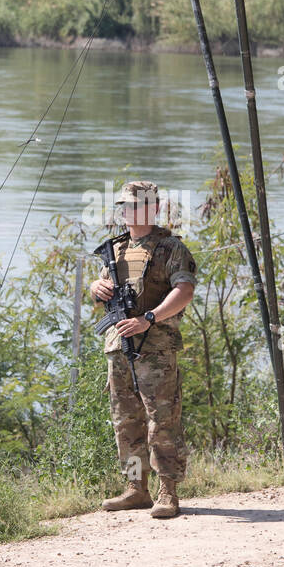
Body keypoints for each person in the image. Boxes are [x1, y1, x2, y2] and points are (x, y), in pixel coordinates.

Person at [89, 180, 197, 519]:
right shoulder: (116, 249)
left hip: (156, 347)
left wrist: (149, 318)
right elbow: (103, 293)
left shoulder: (170, 248)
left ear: (152, 209)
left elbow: (184, 291)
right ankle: (136, 488)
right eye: (122, 206)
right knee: (126, 419)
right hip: (119, 344)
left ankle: (168, 490)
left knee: (162, 420)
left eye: (133, 206)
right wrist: (96, 287)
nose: (126, 212)